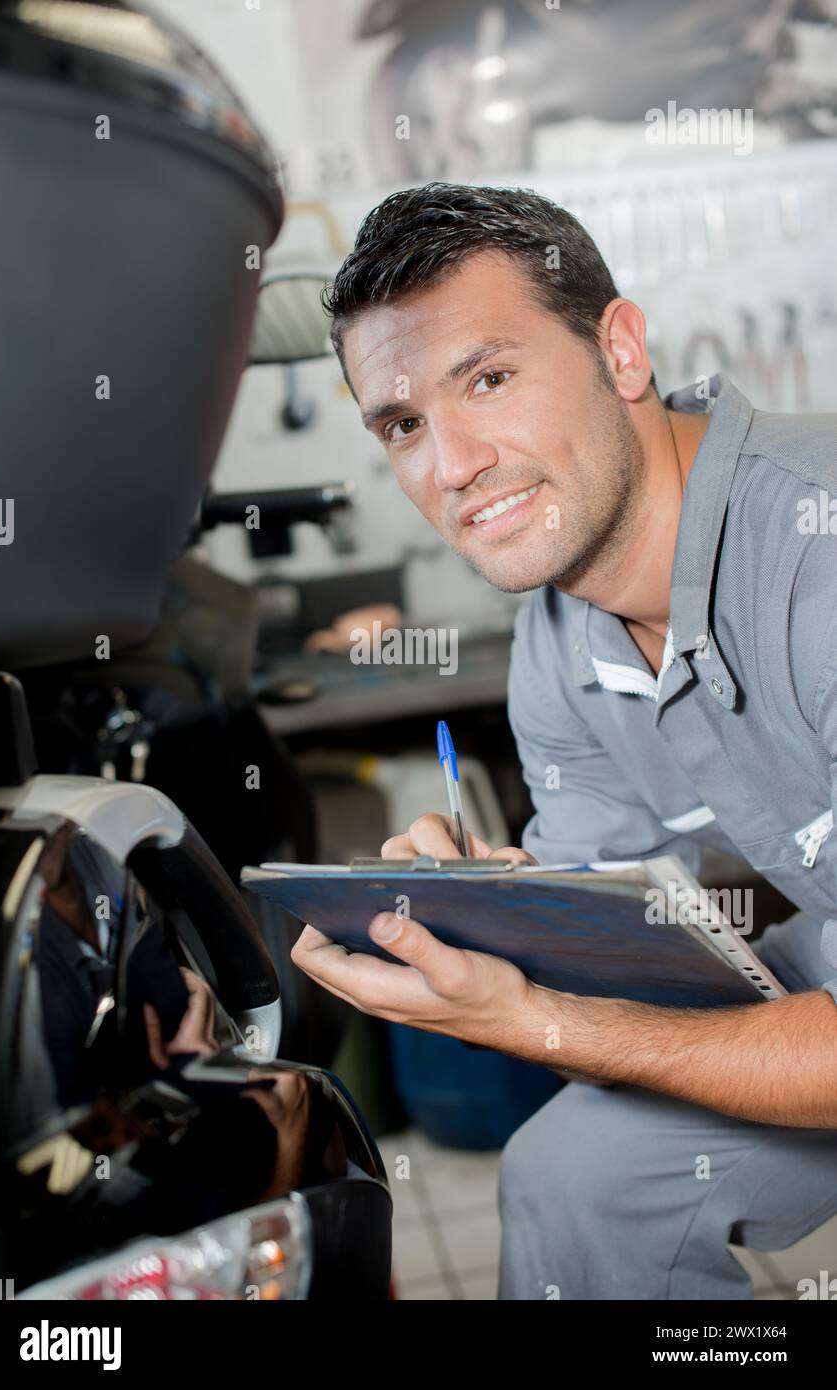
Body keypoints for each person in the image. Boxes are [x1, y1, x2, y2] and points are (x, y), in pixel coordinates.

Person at [291, 182, 837, 1299]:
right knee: (572, 1173)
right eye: (404, 424)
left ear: (620, 351)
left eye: (487, 380)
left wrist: (534, 1020)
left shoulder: (818, 553)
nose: (450, 466)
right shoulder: (557, 637)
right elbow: (634, 916)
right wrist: (503, 908)